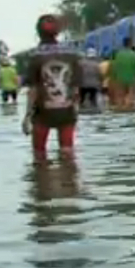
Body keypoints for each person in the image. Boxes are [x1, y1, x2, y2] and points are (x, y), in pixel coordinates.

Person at [23, 14, 81, 159]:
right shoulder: (71, 53)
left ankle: (42, 179)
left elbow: (33, 90)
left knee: (39, 154)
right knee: (68, 153)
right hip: (66, 109)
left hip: (42, 111)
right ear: (58, 32)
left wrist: (27, 116)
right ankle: (69, 179)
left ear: (38, 32)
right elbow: (75, 89)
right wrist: (75, 110)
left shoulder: (34, 55)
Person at [109, 38, 135, 110]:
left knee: (120, 99)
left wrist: (113, 79)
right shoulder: (134, 55)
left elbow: (113, 68)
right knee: (130, 98)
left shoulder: (118, 55)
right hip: (131, 79)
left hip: (119, 79)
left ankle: (120, 111)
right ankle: (128, 110)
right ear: (130, 44)